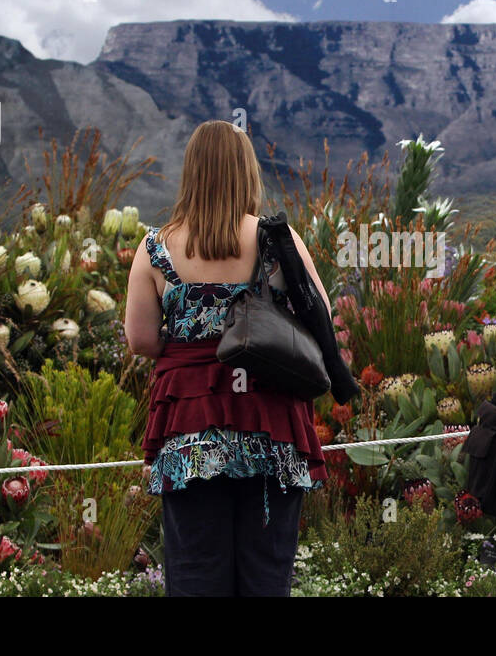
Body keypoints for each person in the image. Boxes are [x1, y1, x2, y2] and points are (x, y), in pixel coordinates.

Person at [124, 120, 340, 597]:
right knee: (267, 571)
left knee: (196, 572)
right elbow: (322, 316)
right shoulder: (277, 239)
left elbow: (139, 339)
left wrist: (188, 351)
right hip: (271, 421)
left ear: (192, 172)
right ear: (246, 172)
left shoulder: (156, 247)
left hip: (189, 424)